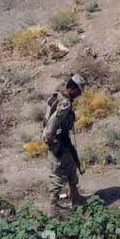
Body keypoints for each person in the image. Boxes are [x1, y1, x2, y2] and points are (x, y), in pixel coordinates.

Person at [45, 74, 85, 212]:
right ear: (73, 88)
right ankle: (53, 206)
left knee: (71, 168)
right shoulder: (65, 103)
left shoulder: (56, 96)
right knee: (58, 174)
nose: (79, 95)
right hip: (58, 142)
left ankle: (76, 197)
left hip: (62, 140)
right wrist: (49, 138)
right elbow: (53, 122)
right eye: (79, 91)